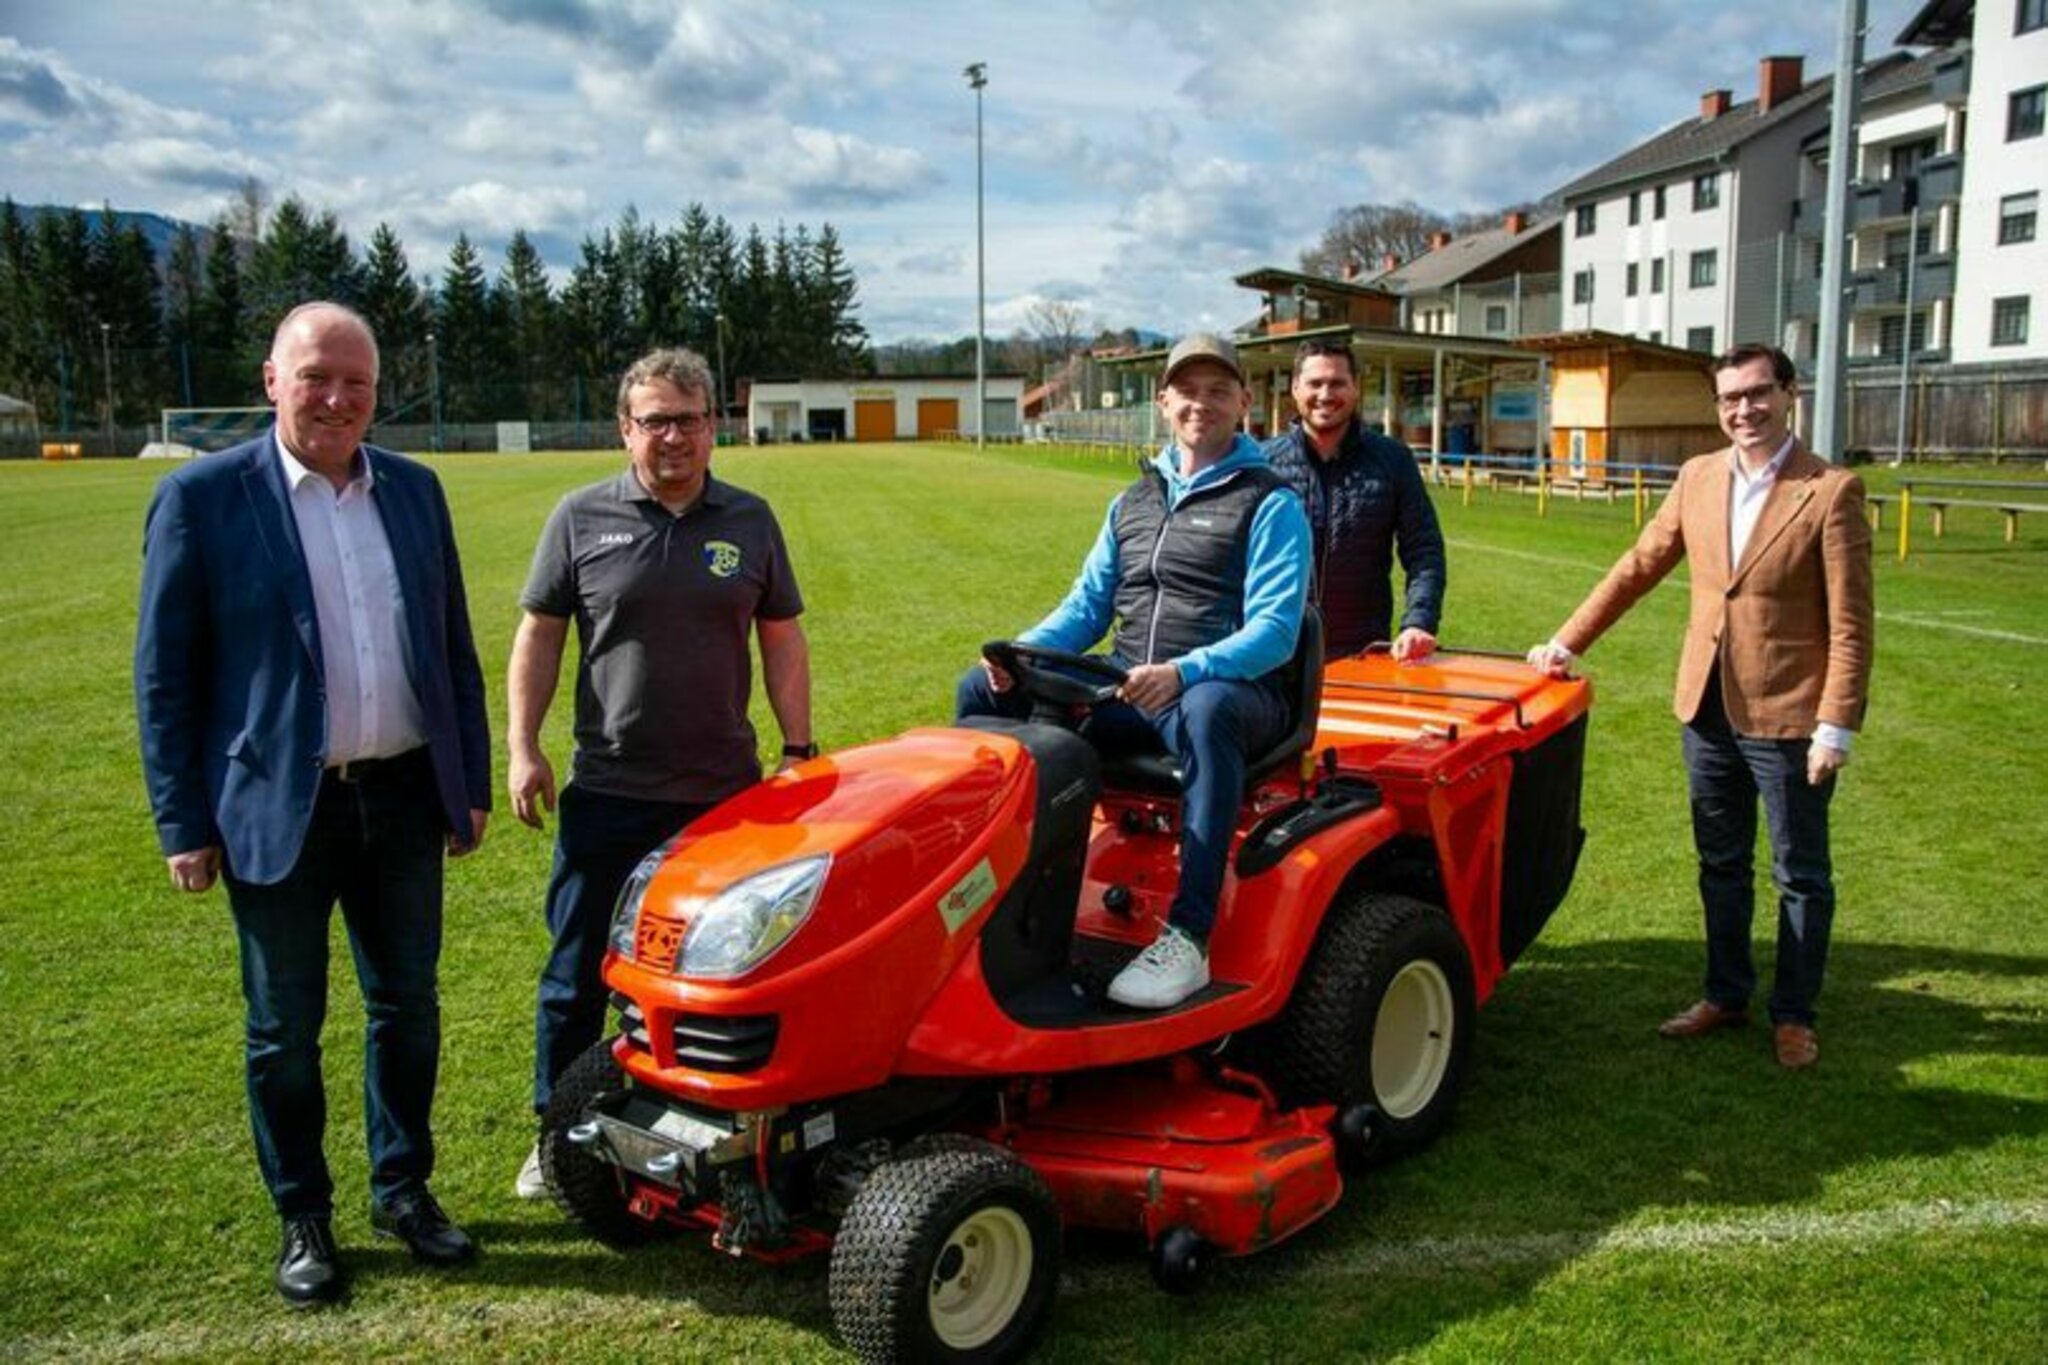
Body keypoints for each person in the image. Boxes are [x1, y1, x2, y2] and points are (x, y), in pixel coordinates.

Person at [134, 302, 492, 1306]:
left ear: (380, 392)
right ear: (271, 381)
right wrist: (182, 823)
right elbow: (165, 679)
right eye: (316, 377)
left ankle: (403, 1190)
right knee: (283, 1030)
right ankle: (304, 1216)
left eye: (358, 383)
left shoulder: (415, 493)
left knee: (407, 1011)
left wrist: (462, 785)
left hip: (405, 801)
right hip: (275, 812)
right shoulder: (201, 500)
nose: (337, 398)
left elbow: (449, 649)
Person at [509, 346, 811, 1197]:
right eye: (654, 420)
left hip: (725, 802)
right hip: (608, 791)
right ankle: (555, 1131)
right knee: (575, 972)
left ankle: (719, 1130)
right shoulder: (580, 516)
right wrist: (522, 745)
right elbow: (539, 634)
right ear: (625, 428)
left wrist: (796, 750)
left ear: (713, 425)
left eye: (688, 418)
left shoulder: (750, 520)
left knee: (725, 968)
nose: (672, 436)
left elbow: (780, 635)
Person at [1527, 343, 1872, 1070]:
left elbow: (1851, 623)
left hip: (1789, 715)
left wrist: (1834, 723)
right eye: (1729, 399)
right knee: (1720, 861)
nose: (1743, 410)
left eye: (1756, 394)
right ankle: (1726, 992)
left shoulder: (1831, 490)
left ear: (1788, 395)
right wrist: (1566, 639)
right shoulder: (1697, 476)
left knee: (1799, 873)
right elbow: (1639, 566)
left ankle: (1794, 1013)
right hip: (1705, 706)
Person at [956, 332, 1310, 1010]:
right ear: (1164, 401)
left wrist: (1183, 671)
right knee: (980, 691)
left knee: (1208, 710)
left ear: (1242, 401)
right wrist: (1016, 655)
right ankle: (989, 891)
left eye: (1217, 390)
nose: (1200, 403)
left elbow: (1275, 632)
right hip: (1131, 685)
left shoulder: (1271, 503)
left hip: (1231, 691)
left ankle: (1189, 934)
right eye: (1187, 391)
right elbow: (1086, 608)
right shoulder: (1132, 503)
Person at [1263, 339, 1445, 660]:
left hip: (1361, 652)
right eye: (1315, 383)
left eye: (1337, 383)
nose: (1325, 394)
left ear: (1356, 388)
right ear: (1294, 388)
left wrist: (1419, 621)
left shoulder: (1392, 459)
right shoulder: (1262, 464)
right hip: (1273, 654)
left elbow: (1424, 551)